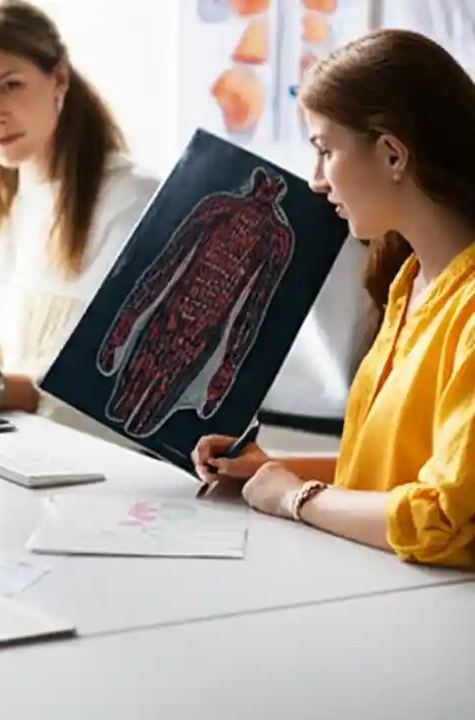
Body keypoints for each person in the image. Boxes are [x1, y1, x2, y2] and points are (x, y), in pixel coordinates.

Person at [193, 29, 475, 570]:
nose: (316, 181)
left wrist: (295, 498)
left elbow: (441, 517)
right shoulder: (410, 280)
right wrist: (272, 468)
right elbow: (390, 472)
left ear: (393, 154)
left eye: (325, 150)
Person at [0, 0, 158, 438]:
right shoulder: (18, 192)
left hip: (101, 460)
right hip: (34, 440)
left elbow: (112, 387)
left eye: (10, 86)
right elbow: (32, 345)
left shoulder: (131, 202)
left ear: (58, 78)